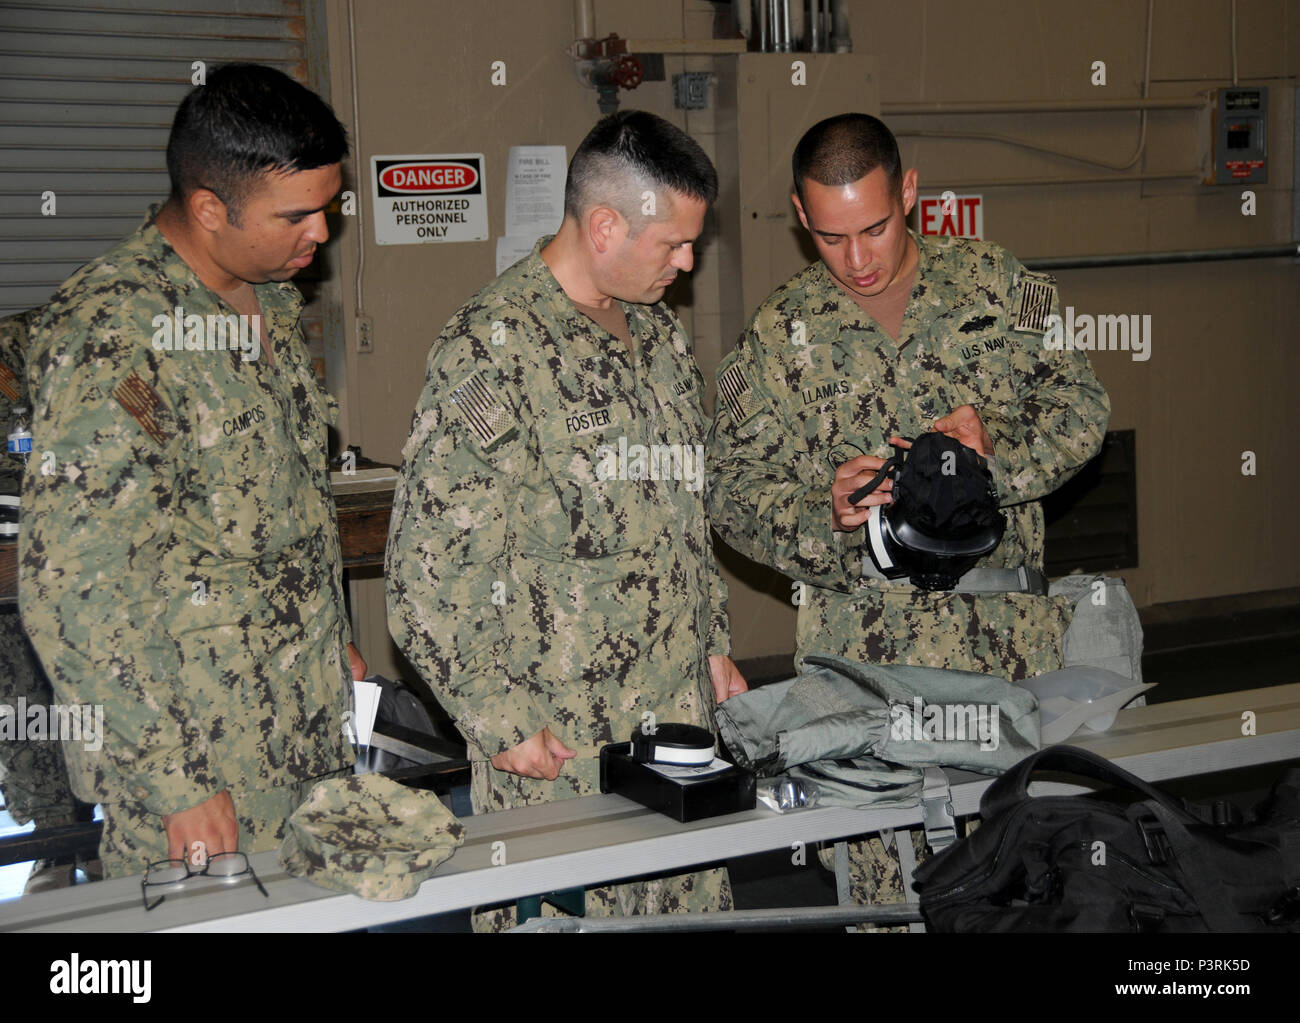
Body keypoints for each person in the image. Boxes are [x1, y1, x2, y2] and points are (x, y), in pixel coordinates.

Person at [707, 112, 1110, 912]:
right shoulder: (778, 338)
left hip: (1005, 667)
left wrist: (997, 452)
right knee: (891, 905)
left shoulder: (999, 286)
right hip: (867, 690)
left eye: (875, 227)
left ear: (912, 193)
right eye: (830, 236)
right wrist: (821, 511)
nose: (856, 259)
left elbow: (1083, 408)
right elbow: (729, 492)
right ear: (798, 215)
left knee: (1028, 895)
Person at [386, 110, 747, 930]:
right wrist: (501, 722)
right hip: (562, 754)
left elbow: (681, 517)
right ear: (606, 224)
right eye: (676, 244)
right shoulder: (492, 352)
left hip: (678, 737)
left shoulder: (658, 338)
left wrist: (712, 642)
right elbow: (425, 580)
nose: (690, 263)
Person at [19, 64, 367, 879]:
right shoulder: (116, 336)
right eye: (296, 215)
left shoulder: (267, 296)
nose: (321, 232)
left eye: (327, 206)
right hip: (205, 758)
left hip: (302, 735)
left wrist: (330, 641)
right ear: (210, 208)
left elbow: (267, 511)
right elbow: (78, 586)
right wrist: (178, 783)